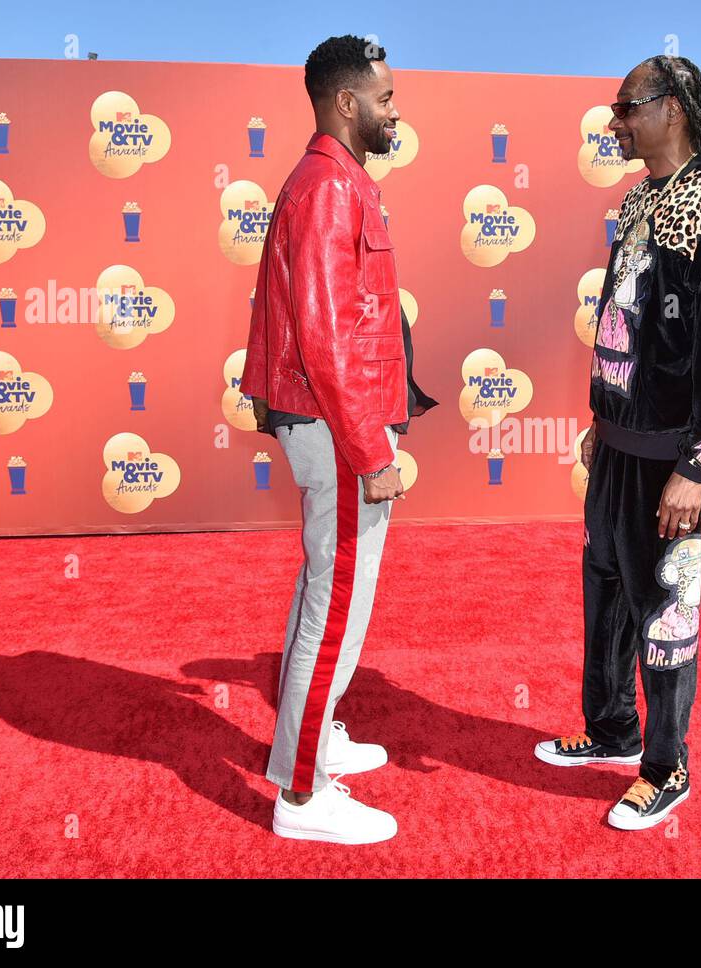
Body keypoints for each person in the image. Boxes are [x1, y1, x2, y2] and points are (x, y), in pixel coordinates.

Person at [534, 55, 701, 830]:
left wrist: (700, 462)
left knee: (666, 609)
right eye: (615, 108)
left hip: (672, 453)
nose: (615, 120)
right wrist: (601, 422)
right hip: (617, 442)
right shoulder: (637, 198)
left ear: (674, 108)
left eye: (627, 106)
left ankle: (666, 767)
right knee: (605, 590)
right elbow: (620, 320)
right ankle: (612, 730)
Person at [240, 34, 435, 845]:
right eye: (385, 99)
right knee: (336, 605)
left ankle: (314, 741)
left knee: (325, 593)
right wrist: (371, 452)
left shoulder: (337, 179)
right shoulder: (327, 187)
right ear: (346, 103)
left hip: (333, 420)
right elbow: (324, 342)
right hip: (336, 426)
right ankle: (302, 793)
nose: (396, 112)